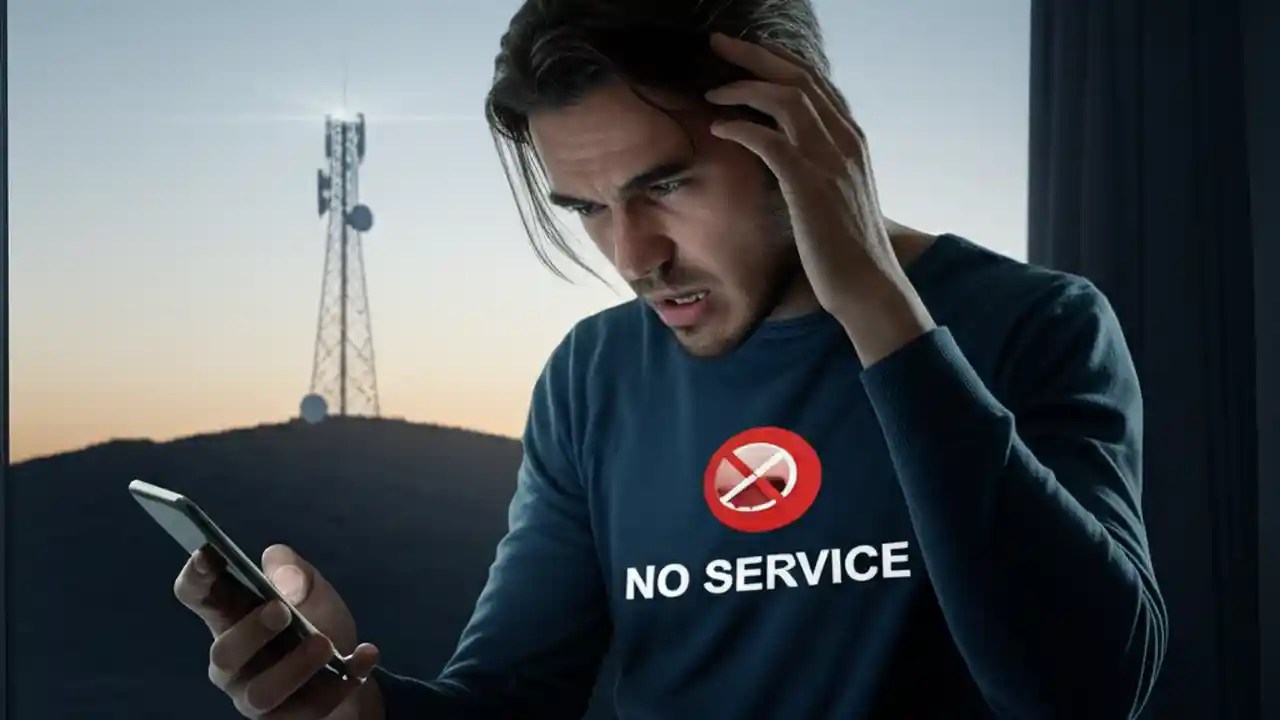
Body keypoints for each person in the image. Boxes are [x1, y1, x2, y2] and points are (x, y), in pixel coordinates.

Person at [172, 1, 1169, 718]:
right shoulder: (593, 377)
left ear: (807, 129)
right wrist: (360, 707)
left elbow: (1084, 694)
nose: (631, 257)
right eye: (588, 209)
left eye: (666, 183)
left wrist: (870, 300)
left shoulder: (1034, 324)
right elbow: (513, 700)